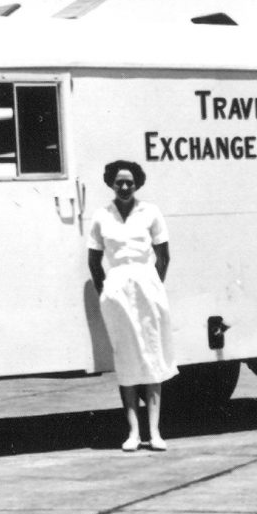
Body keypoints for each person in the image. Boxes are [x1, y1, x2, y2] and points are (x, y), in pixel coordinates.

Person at [87, 159, 178, 452]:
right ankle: (133, 433)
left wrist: (153, 285)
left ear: (137, 183)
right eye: (119, 182)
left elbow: (164, 255)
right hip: (117, 291)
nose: (124, 186)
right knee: (126, 359)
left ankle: (154, 432)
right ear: (111, 184)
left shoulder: (150, 212)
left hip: (146, 287)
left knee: (151, 355)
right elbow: (93, 260)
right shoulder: (102, 216)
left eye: (129, 182)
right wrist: (107, 291)